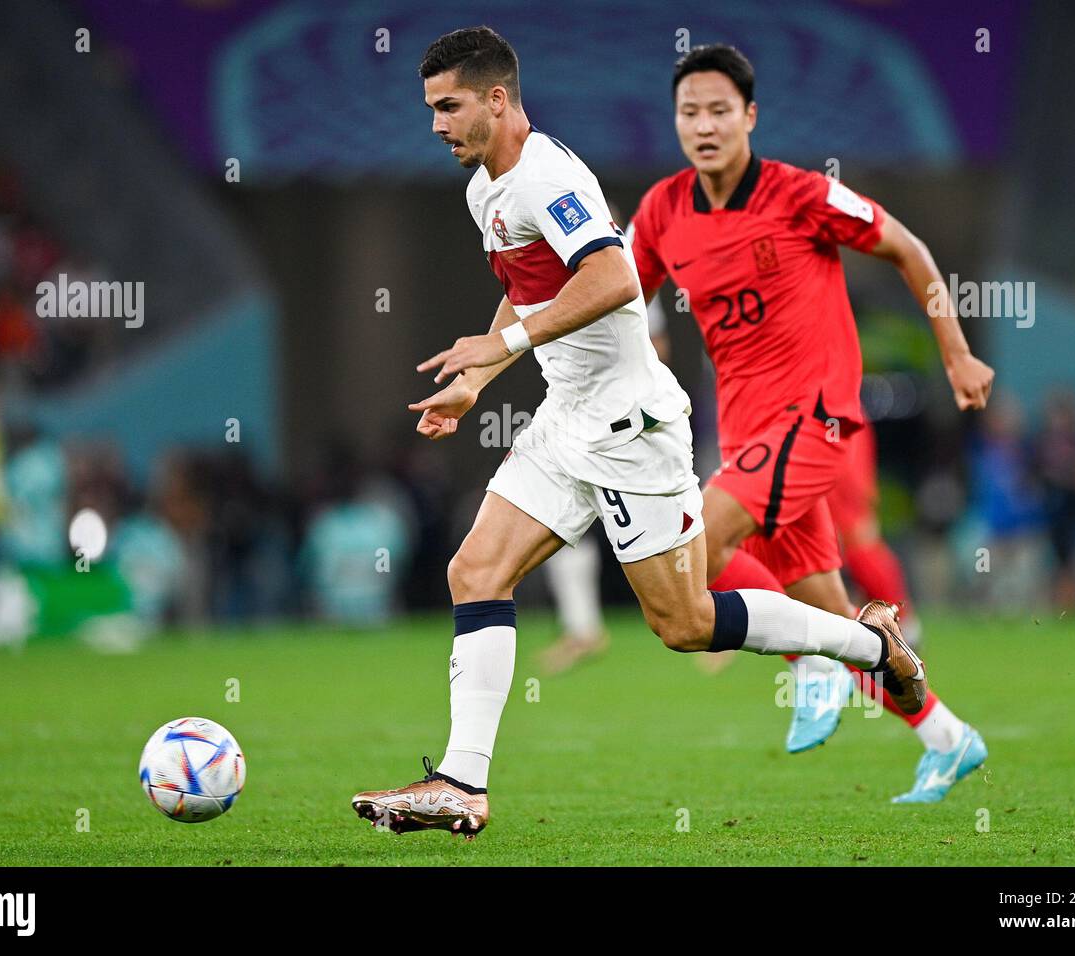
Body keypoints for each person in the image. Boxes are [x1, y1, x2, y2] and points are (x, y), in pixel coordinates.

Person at [350, 27, 925, 838]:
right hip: (565, 418)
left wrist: (506, 347)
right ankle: (460, 783)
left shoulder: (548, 175)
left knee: (683, 623)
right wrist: (479, 377)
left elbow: (614, 275)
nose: (437, 124)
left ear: (497, 99)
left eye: (448, 107)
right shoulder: (486, 186)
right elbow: (528, 284)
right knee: (475, 571)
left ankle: (870, 645)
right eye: (431, 109)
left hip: (628, 424)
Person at [627, 45, 989, 801]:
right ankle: (946, 736)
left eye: (719, 110)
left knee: (694, 550)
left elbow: (908, 248)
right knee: (830, 612)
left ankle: (818, 662)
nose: (704, 125)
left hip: (813, 419)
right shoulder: (663, 211)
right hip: (743, 431)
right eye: (689, 112)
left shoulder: (800, 194)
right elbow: (621, 297)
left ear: (750, 117)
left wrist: (955, 354)